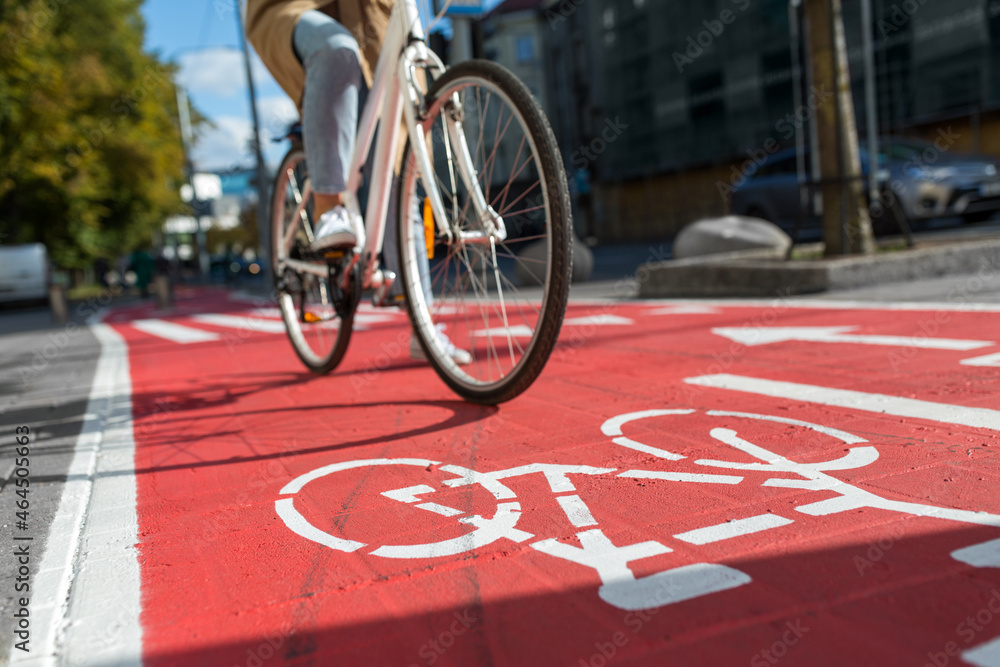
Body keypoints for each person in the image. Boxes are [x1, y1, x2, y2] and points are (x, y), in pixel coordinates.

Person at [246, 0, 471, 364]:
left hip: (378, 19)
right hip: (294, 6)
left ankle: (422, 324)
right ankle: (329, 208)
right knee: (336, 50)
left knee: (401, 166)